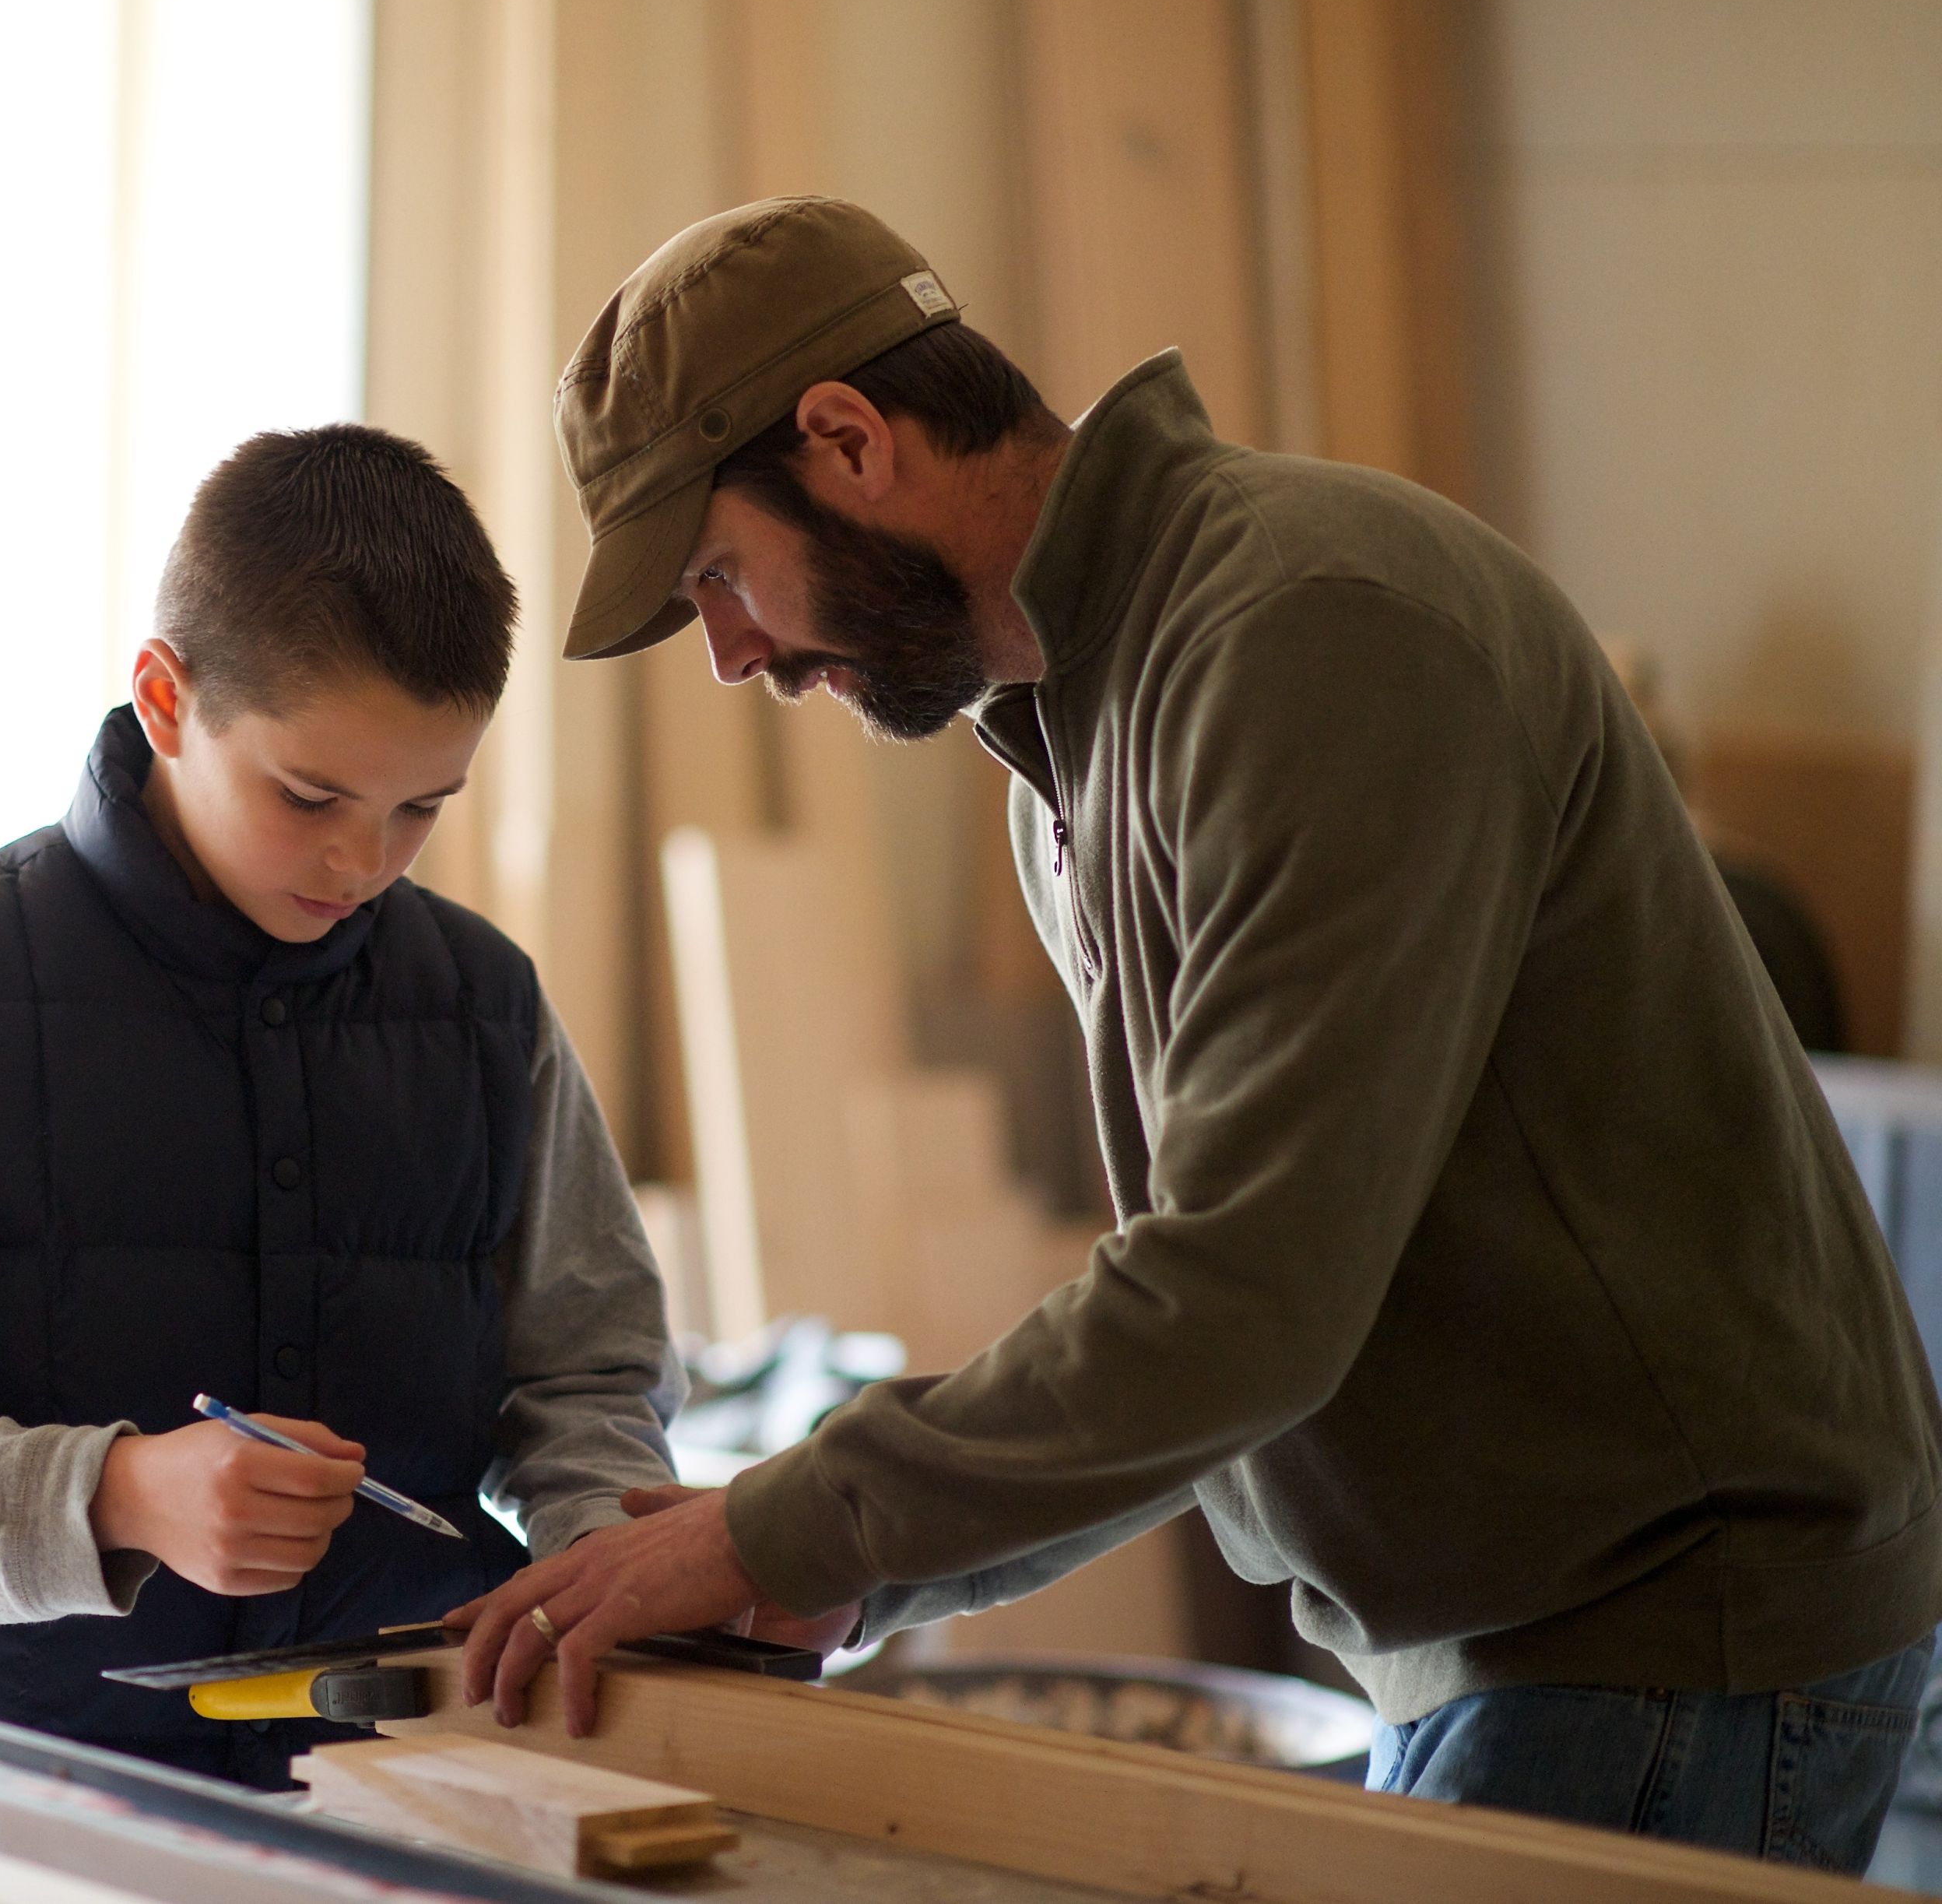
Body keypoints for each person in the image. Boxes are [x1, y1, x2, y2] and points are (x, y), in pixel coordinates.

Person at [451, 196, 1942, 1872]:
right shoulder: (1074, 749)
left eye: (719, 572)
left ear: (851, 441)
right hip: (1538, 1635)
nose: (731, 657)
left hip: (1662, 1631)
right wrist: (846, 1557)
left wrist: (799, 1524)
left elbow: (1242, 1302)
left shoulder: (1308, 635)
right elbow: (1207, 1304)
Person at [0, 424, 682, 1789]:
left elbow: (589, 1372)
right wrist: (117, 1497)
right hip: (17, 1789)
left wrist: (600, 1552)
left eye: (423, 807)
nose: (365, 863)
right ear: (164, 697)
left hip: (412, 1780)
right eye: (310, 796)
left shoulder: (486, 1003)